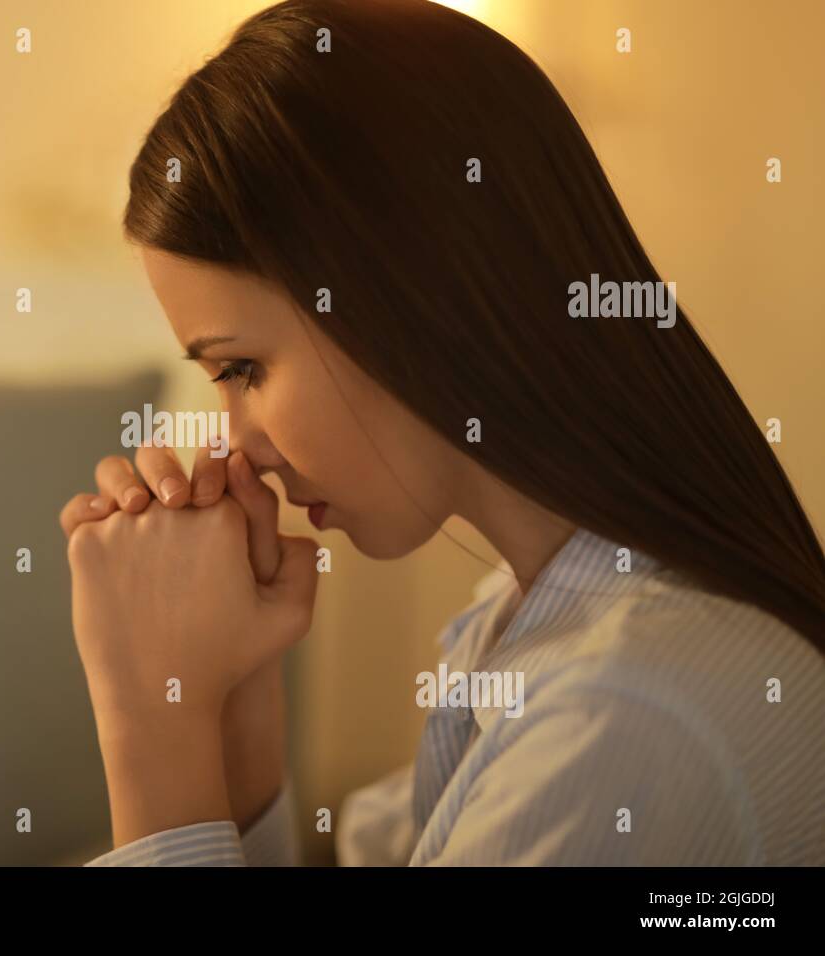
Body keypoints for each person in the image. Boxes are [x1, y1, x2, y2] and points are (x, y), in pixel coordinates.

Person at [57, 0, 825, 866]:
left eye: (242, 370)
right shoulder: (534, 615)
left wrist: (147, 722)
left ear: (406, 299)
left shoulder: (621, 713)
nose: (235, 450)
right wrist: (227, 705)